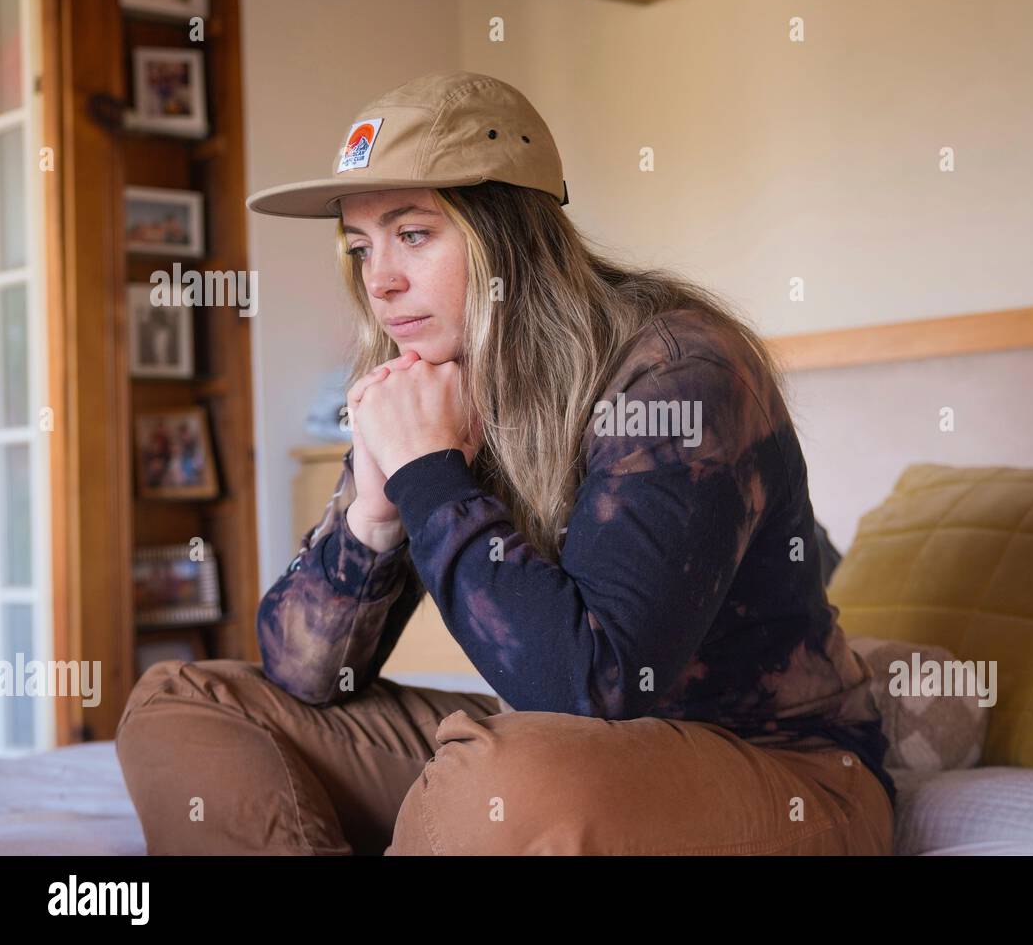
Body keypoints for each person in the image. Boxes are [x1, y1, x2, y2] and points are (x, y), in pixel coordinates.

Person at [114, 69, 895, 856]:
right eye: (360, 246)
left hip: (778, 772)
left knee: (500, 781)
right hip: (557, 753)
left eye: (412, 234)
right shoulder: (437, 382)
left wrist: (430, 476)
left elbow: (595, 691)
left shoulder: (678, 371)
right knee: (184, 701)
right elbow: (306, 676)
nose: (380, 282)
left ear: (508, 235)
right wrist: (377, 510)